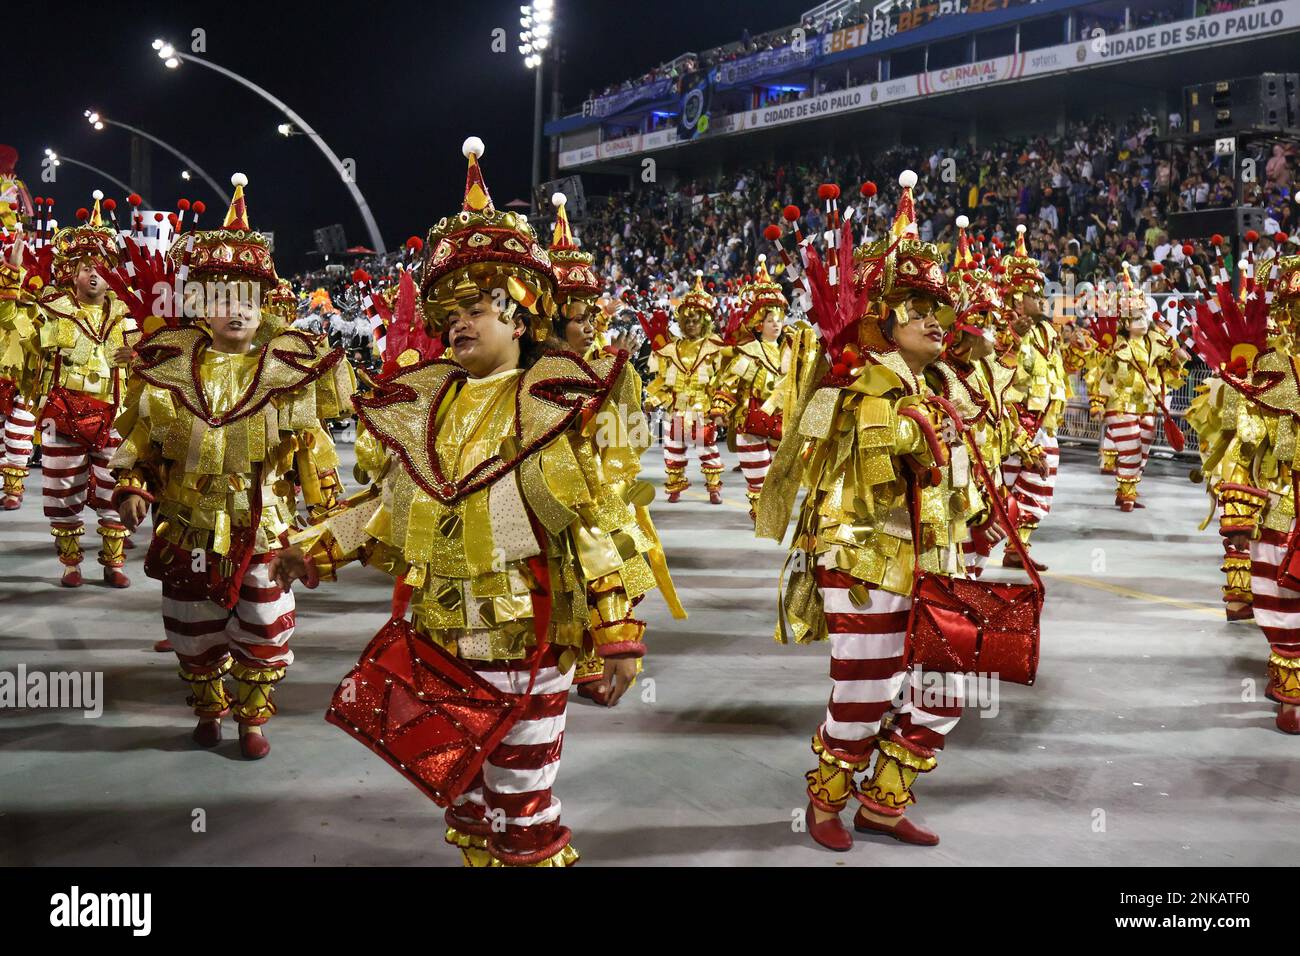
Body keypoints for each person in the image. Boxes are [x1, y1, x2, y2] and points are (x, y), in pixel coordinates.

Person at [273, 138, 675, 866]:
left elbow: (591, 523)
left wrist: (617, 629)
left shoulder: (555, 406)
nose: (458, 321)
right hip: (437, 641)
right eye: (448, 309)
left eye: (478, 307)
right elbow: (387, 502)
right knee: (463, 797)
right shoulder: (422, 410)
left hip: (529, 644)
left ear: (521, 317)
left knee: (524, 805)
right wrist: (321, 543)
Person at [757, 170, 977, 852]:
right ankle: (826, 799)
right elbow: (874, 457)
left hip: (934, 557)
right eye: (916, 306)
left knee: (946, 688)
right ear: (883, 318)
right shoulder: (853, 387)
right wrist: (913, 427)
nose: (935, 319)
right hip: (862, 554)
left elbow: (960, 471)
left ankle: (884, 800)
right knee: (863, 694)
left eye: (939, 306)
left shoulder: (945, 383)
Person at [109, 174, 353, 758]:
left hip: (265, 528)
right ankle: (208, 703)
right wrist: (133, 484)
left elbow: (312, 452)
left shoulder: (290, 371)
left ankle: (252, 716)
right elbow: (144, 442)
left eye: (248, 296)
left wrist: (330, 525)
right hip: (188, 525)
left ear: (265, 303)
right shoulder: (167, 368)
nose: (237, 309)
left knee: (266, 626)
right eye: (223, 297)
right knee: (191, 627)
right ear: (200, 305)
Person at [547, 189, 685, 706]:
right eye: (578, 319)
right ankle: (572, 661)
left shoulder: (612, 368)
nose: (589, 328)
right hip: (546, 493)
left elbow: (626, 437)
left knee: (618, 570)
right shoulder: (527, 373)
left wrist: (612, 480)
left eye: (591, 319)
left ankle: (597, 658)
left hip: (599, 488)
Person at [1186, 237, 1300, 733]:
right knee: (1283, 600)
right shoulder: (1261, 375)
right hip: (1281, 504)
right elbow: (1239, 446)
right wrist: (1235, 517)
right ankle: (1292, 687)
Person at [0, 192, 134, 585]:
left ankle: (114, 562)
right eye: (85, 267)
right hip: (62, 415)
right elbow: (12, 324)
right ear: (70, 272)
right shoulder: (50, 308)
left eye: (102, 267)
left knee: (115, 490)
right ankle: (71, 562)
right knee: (62, 490)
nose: (94, 274)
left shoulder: (129, 315)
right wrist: (11, 280)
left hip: (114, 415)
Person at [998, 224, 1063, 571]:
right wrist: (1009, 338)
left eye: (1042, 293)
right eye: (1034, 294)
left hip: (1043, 421)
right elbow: (997, 375)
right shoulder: (1000, 329)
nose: (1043, 299)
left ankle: (1018, 547)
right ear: (1014, 298)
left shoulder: (1049, 331)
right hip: (1014, 423)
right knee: (1007, 484)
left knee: (1041, 481)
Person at [1094, 272, 1187, 511]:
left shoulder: (1156, 341)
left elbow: (1169, 367)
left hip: (1148, 403)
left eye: (1143, 316)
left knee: (1144, 448)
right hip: (1121, 403)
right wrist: (1097, 402)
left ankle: (1127, 490)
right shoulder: (1115, 346)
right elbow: (1101, 374)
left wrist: (1178, 358)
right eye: (1136, 317)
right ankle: (1127, 496)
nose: (1143, 322)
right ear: (1125, 323)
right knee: (1131, 448)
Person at [711, 254, 787, 519]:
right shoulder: (747, 351)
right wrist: (720, 409)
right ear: (759, 324)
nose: (776, 324)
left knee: (778, 474)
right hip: (750, 420)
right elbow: (730, 383)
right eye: (769, 320)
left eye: (778, 319)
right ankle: (760, 513)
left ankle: (772, 512)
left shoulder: (792, 351)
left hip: (781, 420)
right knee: (759, 476)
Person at [645, 272, 728, 503]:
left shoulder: (715, 347)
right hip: (677, 408)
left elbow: (723, 379)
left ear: (705, 322)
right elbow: (663, 381)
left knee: (707, 449)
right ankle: (674, 487)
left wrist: (721, 408)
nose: (691, 325)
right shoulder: (671, 348)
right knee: (673, 449)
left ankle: (713, 488)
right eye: (688, 321)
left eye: (696, 320)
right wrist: (653, 400)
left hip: (703, 408)